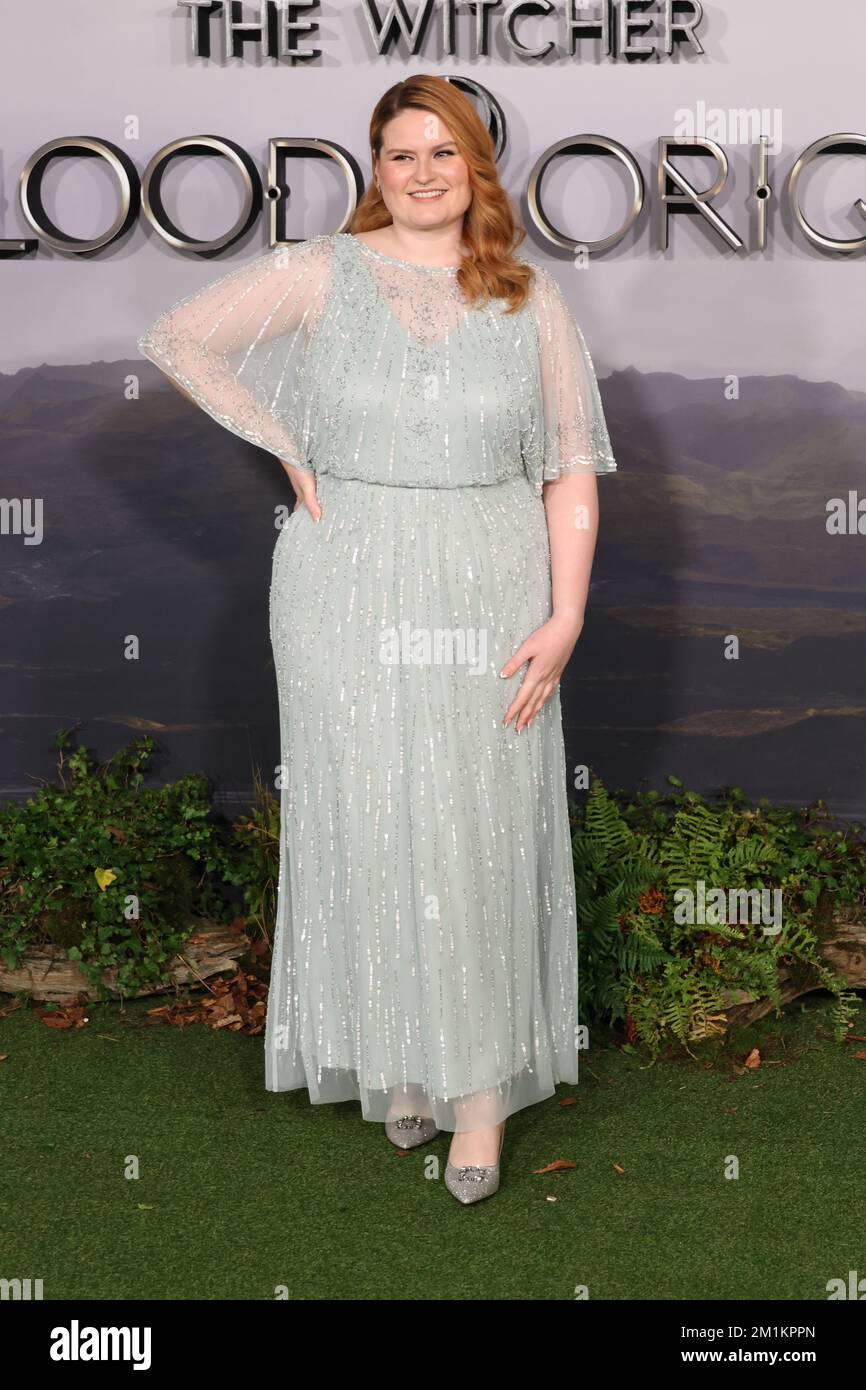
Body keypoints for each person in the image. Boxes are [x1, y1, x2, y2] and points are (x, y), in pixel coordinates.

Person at [137, 75, 617, 1205]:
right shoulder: (319, 271)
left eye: (442, 153)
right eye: (399, 153)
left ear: (477, 169)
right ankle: (405, 1057)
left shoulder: (527, 295)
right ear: (375, 166)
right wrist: (288, 439)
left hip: (490, 577)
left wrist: (566, 612)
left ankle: (480, 1100)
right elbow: (178, 336)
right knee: (370, 807)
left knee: (473, 818)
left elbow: (570, 465)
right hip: (338, 577)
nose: (420, 173)